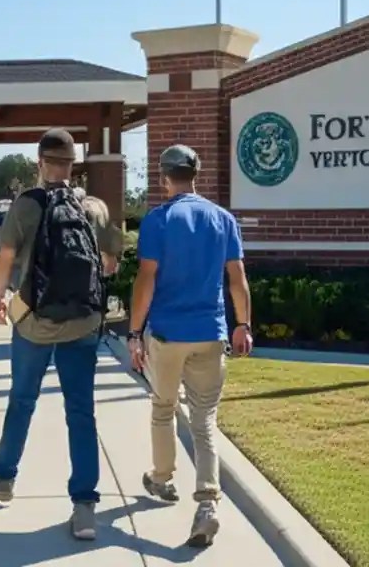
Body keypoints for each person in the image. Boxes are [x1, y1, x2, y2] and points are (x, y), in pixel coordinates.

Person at [0, 128, 123, 541]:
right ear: (72, 165)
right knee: (80, 412)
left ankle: (4, 477)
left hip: (34, 325)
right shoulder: (92, 207)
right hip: (82, 324)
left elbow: (5, 257)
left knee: (22, 400)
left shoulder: (27, 205)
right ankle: (84, 509)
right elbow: (112, 261)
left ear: (41, 162)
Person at [126, 143, 253, 549]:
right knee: (205, 421)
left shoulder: (158, 221)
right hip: (211, 333)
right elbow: (237, 279)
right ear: (195, 174)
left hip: (166, 334)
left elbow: (146, 280)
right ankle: (208, 505)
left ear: (165, 177)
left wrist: (133, 332)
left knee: (164, 409)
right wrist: (243, 325)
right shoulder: (224, 220)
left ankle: (162, 479)